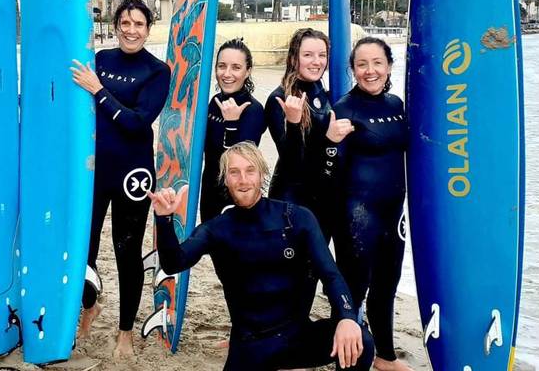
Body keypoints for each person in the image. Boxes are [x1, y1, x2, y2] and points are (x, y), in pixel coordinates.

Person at [148, 141, 374, 371]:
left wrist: (346, 316)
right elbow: (174, 262)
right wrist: (164, 219)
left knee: (361, 341)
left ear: (262, 174)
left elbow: (330, 274)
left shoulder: (297, 219)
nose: (243, 180)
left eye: (250, 171)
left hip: (297, 337)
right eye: (234, 173)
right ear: (225, 179)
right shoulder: (216, 230)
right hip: (249, 347)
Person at [70, 0, 170, 357]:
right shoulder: (99, 60)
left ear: (148, 28)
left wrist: (98, 90)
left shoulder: (157, 71)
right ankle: (89, 305)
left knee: (126, 251)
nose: (131, 30)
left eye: (138, 24)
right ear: (116, 26)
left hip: (133, 173)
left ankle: (125, 331)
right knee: (84, 246)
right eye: (124, 24)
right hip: (94, 170)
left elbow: (136, 122)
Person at [323, 37, 413, 371]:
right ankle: (342, 361)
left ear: (389, 65)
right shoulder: (344, 109)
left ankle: (385, 357)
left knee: (387, 285)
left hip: (394, 215)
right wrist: (330, 143)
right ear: (353, 69)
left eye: (377, 63)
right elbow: (328, 173)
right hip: (357, 216)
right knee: (353, 290)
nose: (370, 71)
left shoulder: (397, 105)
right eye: (362, 64)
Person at [264, 27, 353, 241]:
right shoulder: (280, 100)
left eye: (322, 55)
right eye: (308, 55)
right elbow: (293, 164)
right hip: (291, 200)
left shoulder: (329, 95)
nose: (316, 61)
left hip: (324, 199)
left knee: (315, 272)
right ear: (294, 58)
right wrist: (295, 123)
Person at [200, 38, 265, 222]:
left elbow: (239, 164)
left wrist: (231, 124)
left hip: (238, 196)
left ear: (247, 71)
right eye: (222, 66)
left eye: (236, 67)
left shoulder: (253, 109)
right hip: (209, 193)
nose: (227, 74)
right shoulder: (214, 102)